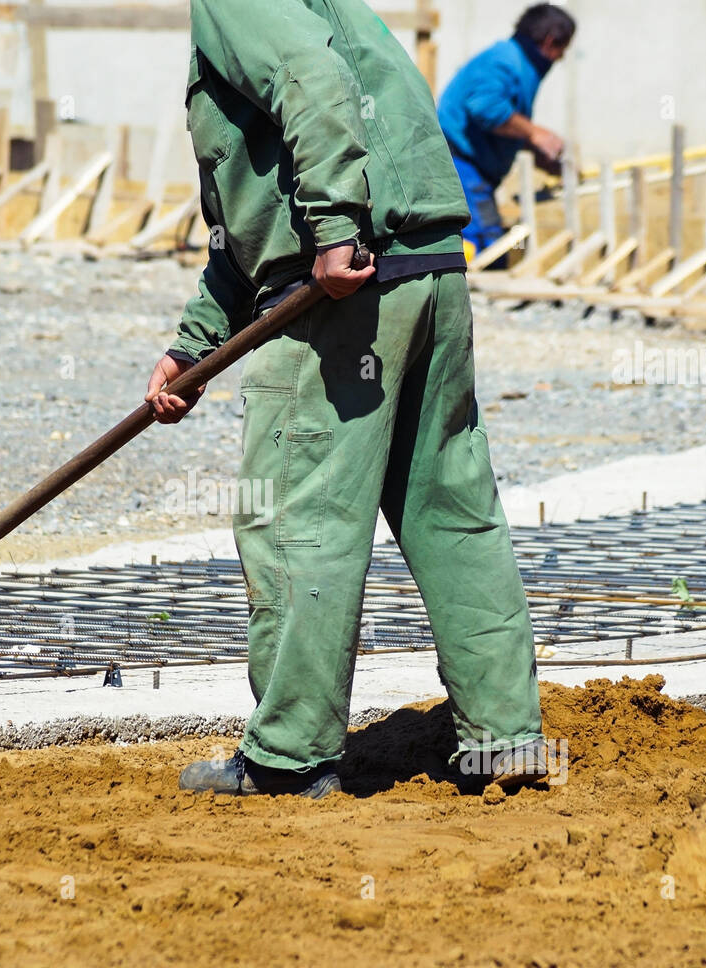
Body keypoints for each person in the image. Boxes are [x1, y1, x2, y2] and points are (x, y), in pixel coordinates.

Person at [145, 0, 546, 798]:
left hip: (346, 296)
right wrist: (191, 348)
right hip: (427, 275)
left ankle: (289, 758)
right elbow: (246, 232)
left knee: (298, 520)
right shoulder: (327, 7)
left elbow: (312, 83)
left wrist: (332, 230)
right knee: (452, 511)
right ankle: (505, 741)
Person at [437, 3, 575, 260]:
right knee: (487, 248)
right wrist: (535, 133)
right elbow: (485, 109)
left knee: (488, 246)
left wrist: (534, 149)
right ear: (550, 41)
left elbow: (499, 123)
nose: (561, 58)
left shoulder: (518, 63)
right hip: (459, 163)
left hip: (472, 165)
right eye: (562, 49)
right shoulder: (504, 61)